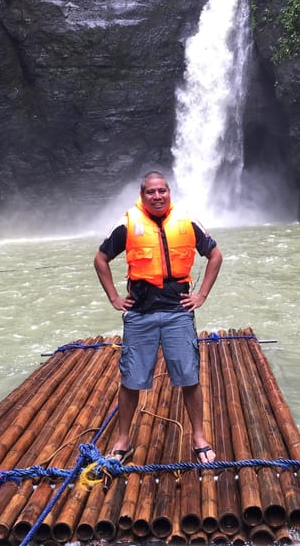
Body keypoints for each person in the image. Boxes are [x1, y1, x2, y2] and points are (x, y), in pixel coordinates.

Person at [94, 170, 222, 465]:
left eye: (162, 190)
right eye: (151, 192)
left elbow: (215, 255)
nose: (157, 196)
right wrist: (114, 298)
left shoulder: (187, 221)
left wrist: (201, 295)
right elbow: (100, 259)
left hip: (178, 311)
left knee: (189, 377)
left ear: (169, 192)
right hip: (140, 313)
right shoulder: (127, 224)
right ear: (142, 196)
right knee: (131, 380)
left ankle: (198, 437)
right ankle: (123, 440)